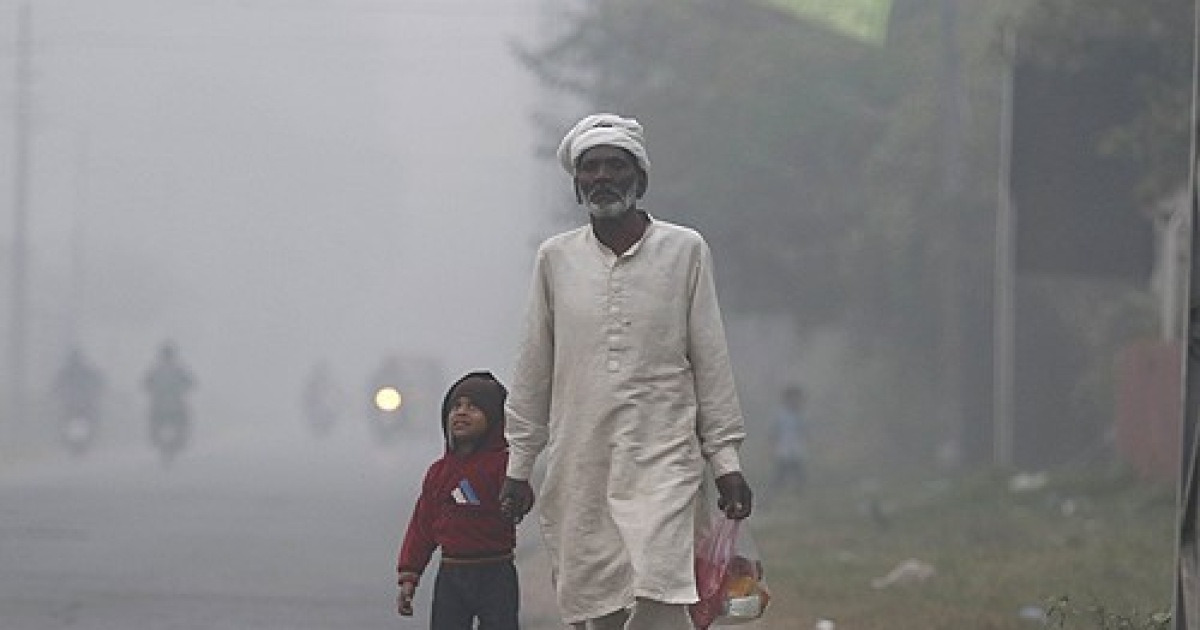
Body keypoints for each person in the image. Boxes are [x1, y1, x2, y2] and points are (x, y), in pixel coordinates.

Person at [499, 113, 754, 630]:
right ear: (577, 185)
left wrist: (725, 460)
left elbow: (711, 359)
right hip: (582, 463)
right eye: (590, 168)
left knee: (661, 585)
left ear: (640, 178)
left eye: (615, 166)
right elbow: (533, 369)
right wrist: (519, 467)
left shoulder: (685, 250)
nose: (602, 177)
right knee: (601, 606)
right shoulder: (555, 259)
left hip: (666, 458)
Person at [396, 371, 520, 629]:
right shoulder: (439, 472)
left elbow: (521, 494)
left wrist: (517, 500)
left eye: (473, 407)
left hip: (496, 572)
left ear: (495, 420)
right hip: (451, 574)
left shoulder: (504, 465)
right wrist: (409, 574)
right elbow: (422, 525)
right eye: (456, 406)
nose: (462, 412)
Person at [143, 340, 196, 464]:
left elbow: (145, 384)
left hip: (160, 405)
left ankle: (165, 447)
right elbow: (190, 383)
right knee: (182, 427)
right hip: (174, 405)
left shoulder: (156, 370)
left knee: (154, 430)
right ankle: (172, 446)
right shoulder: (178, 370)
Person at [770, 383, 808, 493]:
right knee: (781, 472)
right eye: (792, 398)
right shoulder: (781, 415)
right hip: (784, 448)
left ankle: (799, 491)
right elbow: (774, 432)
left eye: (797, 398)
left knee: (799, 471)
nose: (795, 401)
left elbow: (804, 431)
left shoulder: (800, 415)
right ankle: (776, 490)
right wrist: (772, 445)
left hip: (797, 447)